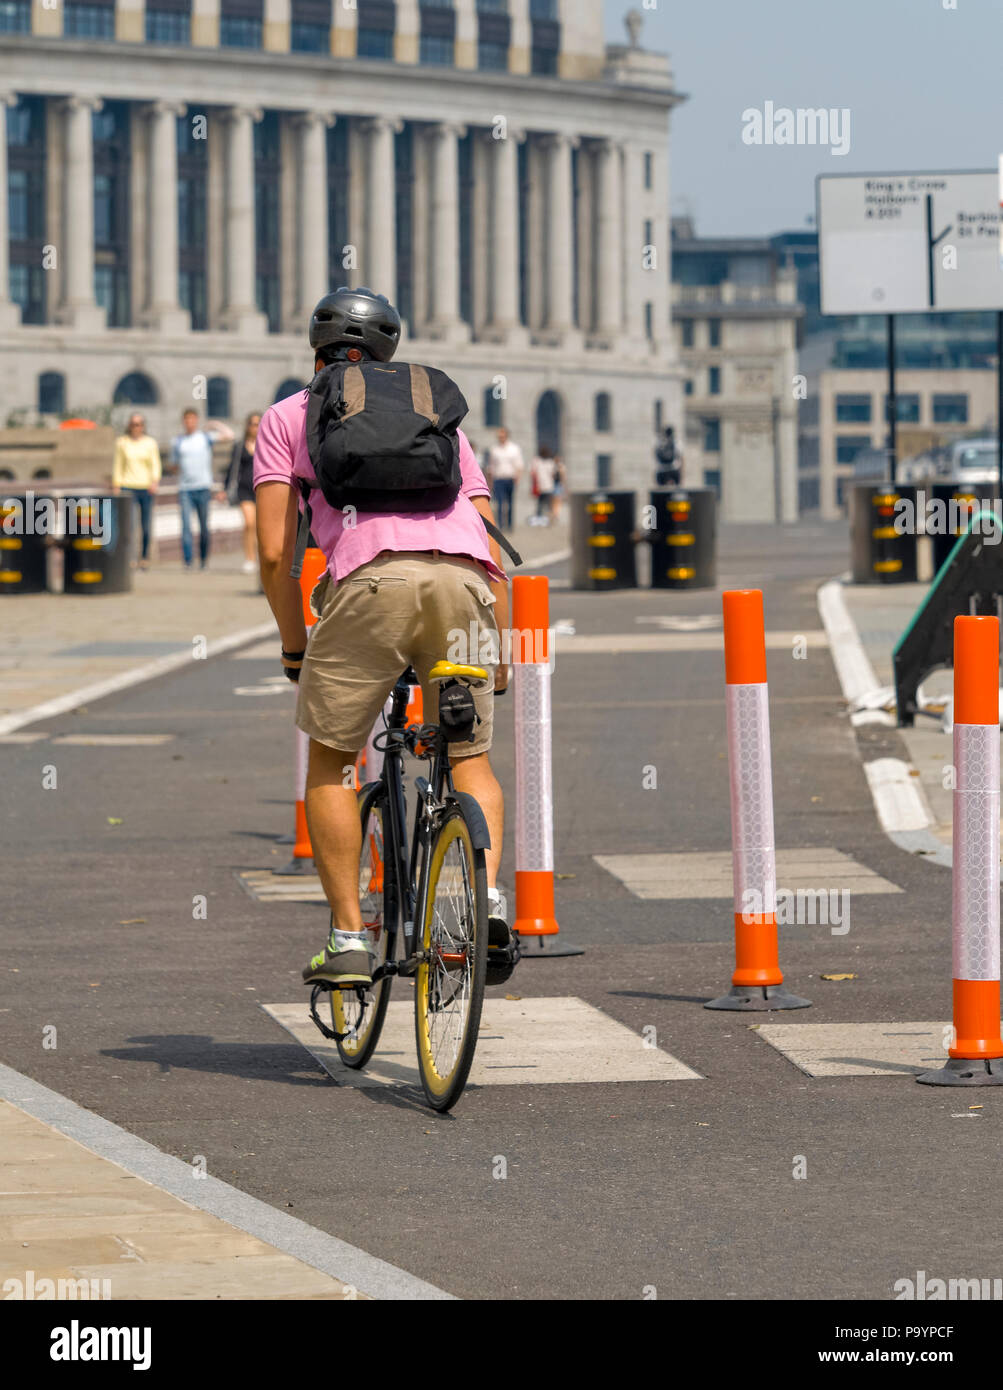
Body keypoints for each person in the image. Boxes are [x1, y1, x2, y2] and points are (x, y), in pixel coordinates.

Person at [254, 286, 518, 990]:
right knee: (468, 757)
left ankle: (347, 938)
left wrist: (293, 645)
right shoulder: (437, 415)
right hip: (462, 588)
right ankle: (485, 900)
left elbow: (277, 554)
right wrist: (500, 654)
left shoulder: (289, 415)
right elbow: (487, 539)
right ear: (390, 353)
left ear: (316, 352)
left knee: (333, 762)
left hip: (368, 586)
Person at [169, 409, 234, 569]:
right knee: (185, 526)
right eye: (186, 420)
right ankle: (188, 561)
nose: (189, 422)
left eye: (192, 419)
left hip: (203, 487)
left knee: (204, 526)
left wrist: (213, 424)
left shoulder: (205, 437)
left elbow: (230, 435)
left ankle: (204, 560)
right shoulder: (177, 442)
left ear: (196, 421)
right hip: (185, 488)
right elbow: (173, 465)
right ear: (183, 421)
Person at [111, 413, 161, 569]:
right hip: (128, 486)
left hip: (145, 488)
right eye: (133, 424)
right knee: (129, 525)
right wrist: (116, 484)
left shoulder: (150, 443)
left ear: (143, 426)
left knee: (145, 525)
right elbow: (118, 464)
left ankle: (144, 556)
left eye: (139, 424)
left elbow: (155, 463)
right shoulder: (122, 442)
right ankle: (130, 557)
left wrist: (155, 481)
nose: (136, 427)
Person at [222, 412, 261, 574]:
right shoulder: (239, 446)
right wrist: (225, 489)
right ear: (247, 426)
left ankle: (261, 558)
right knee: (249, 523)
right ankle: (250, 559)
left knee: (260, 527)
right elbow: (232, 469)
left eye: (258, 424)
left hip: (261, 489)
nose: (255, 427)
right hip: (244, 489)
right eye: (252, 424)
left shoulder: (266, 444)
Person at [487, 427, 524, 531]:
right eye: (499, 436)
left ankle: (509, 525)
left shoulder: (514, 449)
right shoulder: (494, 449)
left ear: (506, 436)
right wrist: (490, 482)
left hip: (510, 478)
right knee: (499, 503)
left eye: (502, 436)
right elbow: (491, 466)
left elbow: (519, 465)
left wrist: (518, 477)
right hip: (498, 479)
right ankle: (501, 525)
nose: (500, 438)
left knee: (510, 503)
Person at [530, 446, 557, 526]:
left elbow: (533, 473)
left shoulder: (538, 462)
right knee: (549, 506)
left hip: (540, 486)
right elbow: (553, 474)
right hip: (549, 486)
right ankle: (549, 520)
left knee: (540, 505)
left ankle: (539, 520)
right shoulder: (551, 462)